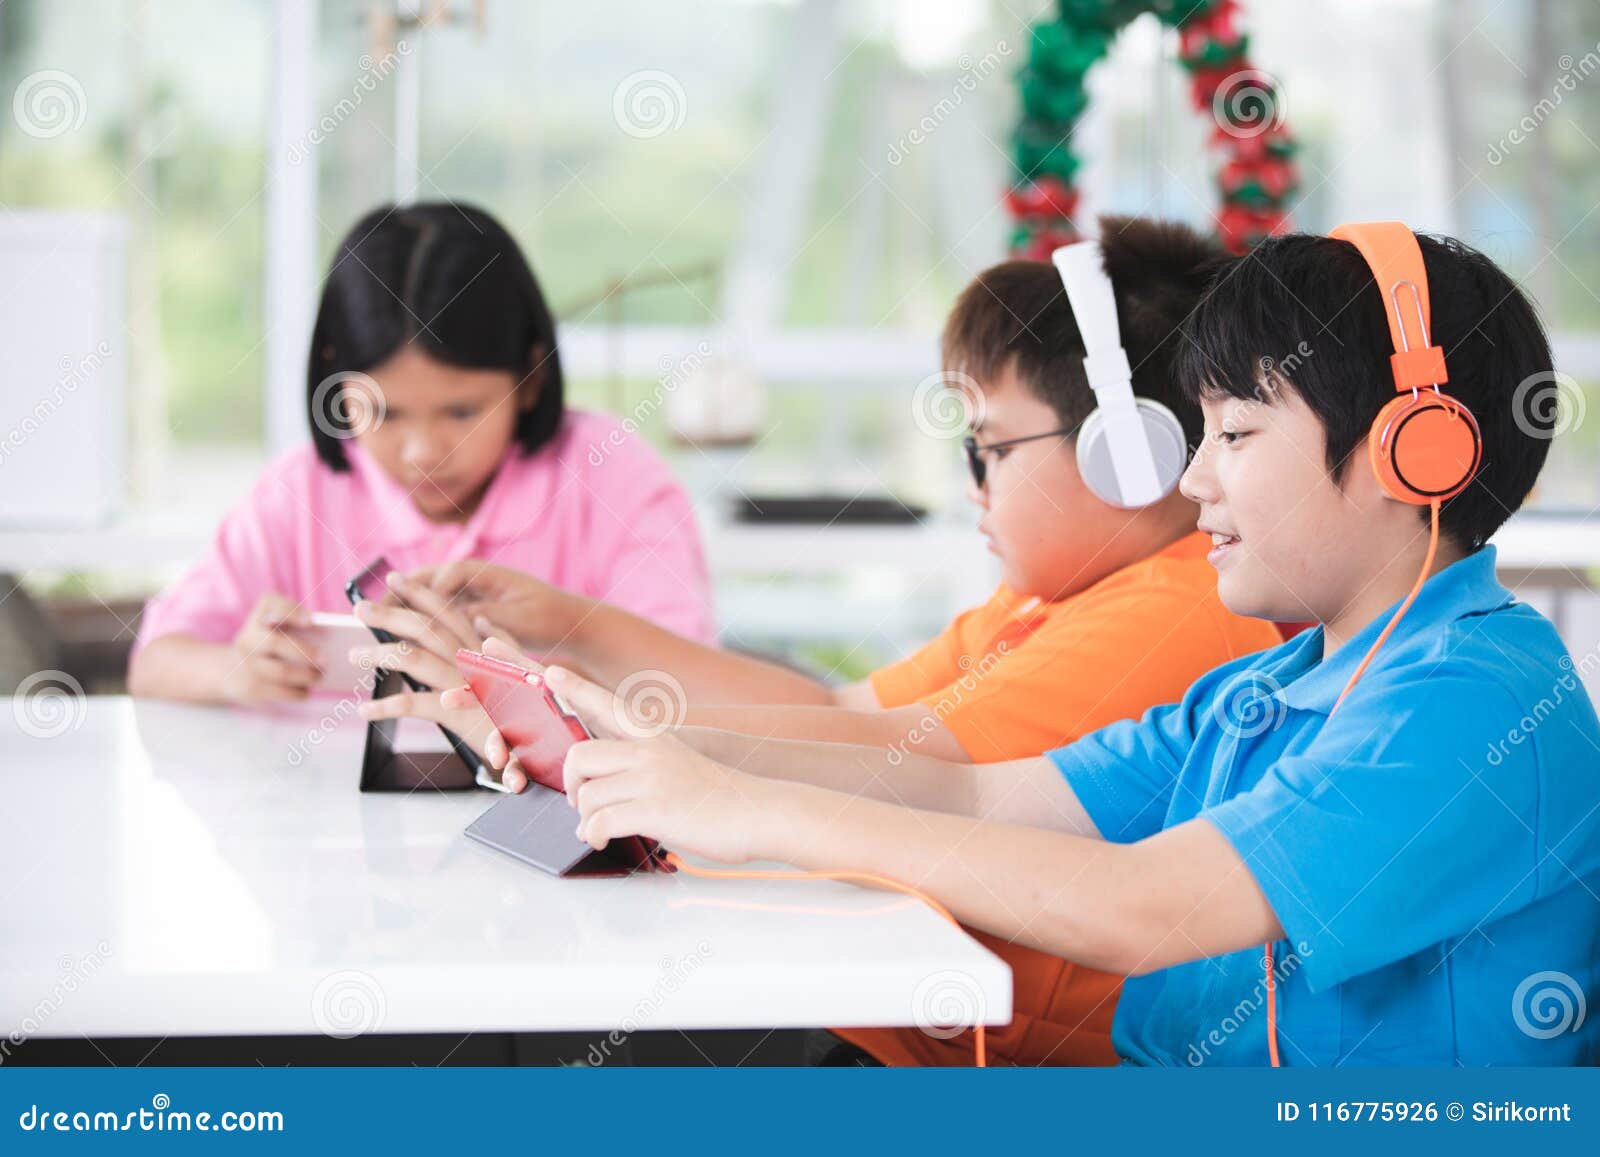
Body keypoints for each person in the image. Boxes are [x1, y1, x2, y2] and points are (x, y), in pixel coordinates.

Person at [530, 224, 1600, 1065]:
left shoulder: (1473, 699)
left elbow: (1141, 909)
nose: (1192, 478)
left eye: (1233, 432)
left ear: (1409, 452)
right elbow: (971, 793)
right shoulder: (1272, 686)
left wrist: (751, 808)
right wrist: (672, 740)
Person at [128, 201, 712, 706]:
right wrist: (235, 670)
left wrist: (512, 685)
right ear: (335, 378)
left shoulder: (611, 476)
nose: (423, 452)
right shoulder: (299, 494)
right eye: (381, 412)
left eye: (461, 412)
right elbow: (155, 661)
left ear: (530, 377)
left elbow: (694, 690)